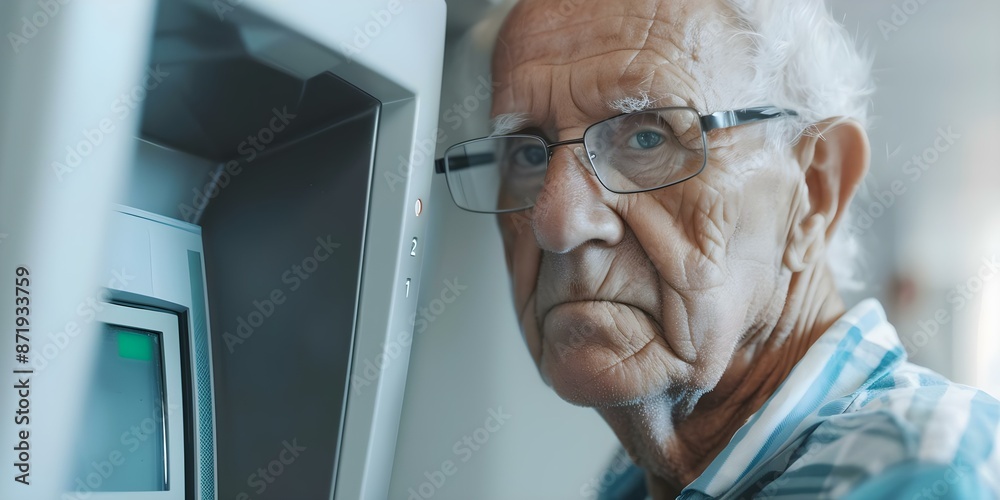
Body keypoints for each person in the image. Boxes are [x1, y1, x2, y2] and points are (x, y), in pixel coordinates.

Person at [435, 0, 1000, 497]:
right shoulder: (651, 479)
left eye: (648, 137)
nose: (555, 223)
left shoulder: (922, 466)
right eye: (529, 156)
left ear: (814, 189)